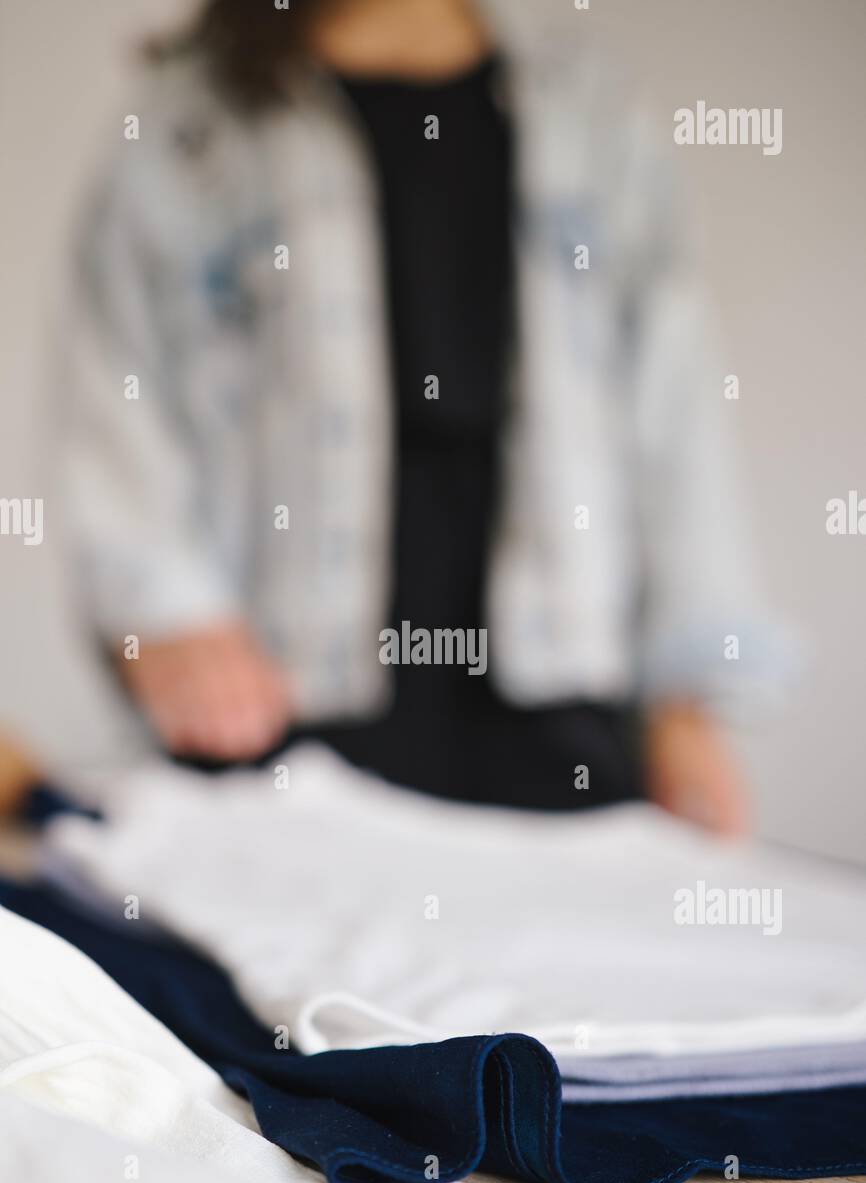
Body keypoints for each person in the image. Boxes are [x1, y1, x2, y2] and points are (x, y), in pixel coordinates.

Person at [59, 0, 776, 827]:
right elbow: (114, 391)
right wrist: (161, 613)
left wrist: (688, 699)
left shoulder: (590, 106)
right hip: (275, 698)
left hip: (558, 703)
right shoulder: (189, 125)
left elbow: (674, 405)